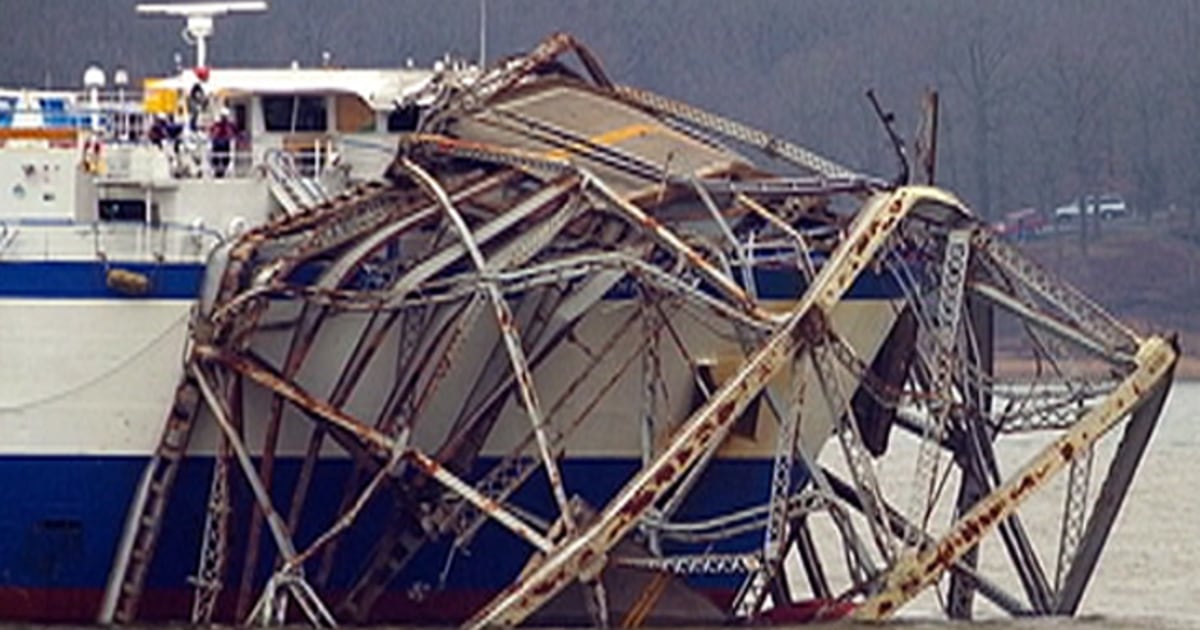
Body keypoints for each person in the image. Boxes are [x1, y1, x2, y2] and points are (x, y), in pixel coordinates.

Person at [209, 112, 237, 177]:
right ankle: (216, 169)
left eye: (224, 117)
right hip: (217, 144)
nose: (223, 118)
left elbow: (235, 133)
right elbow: (211, 132)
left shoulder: (230, 125)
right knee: (216, 156)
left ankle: (223, 168)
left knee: (225, 157)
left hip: (225, 144)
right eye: (222, 117)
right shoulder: (217, 125)